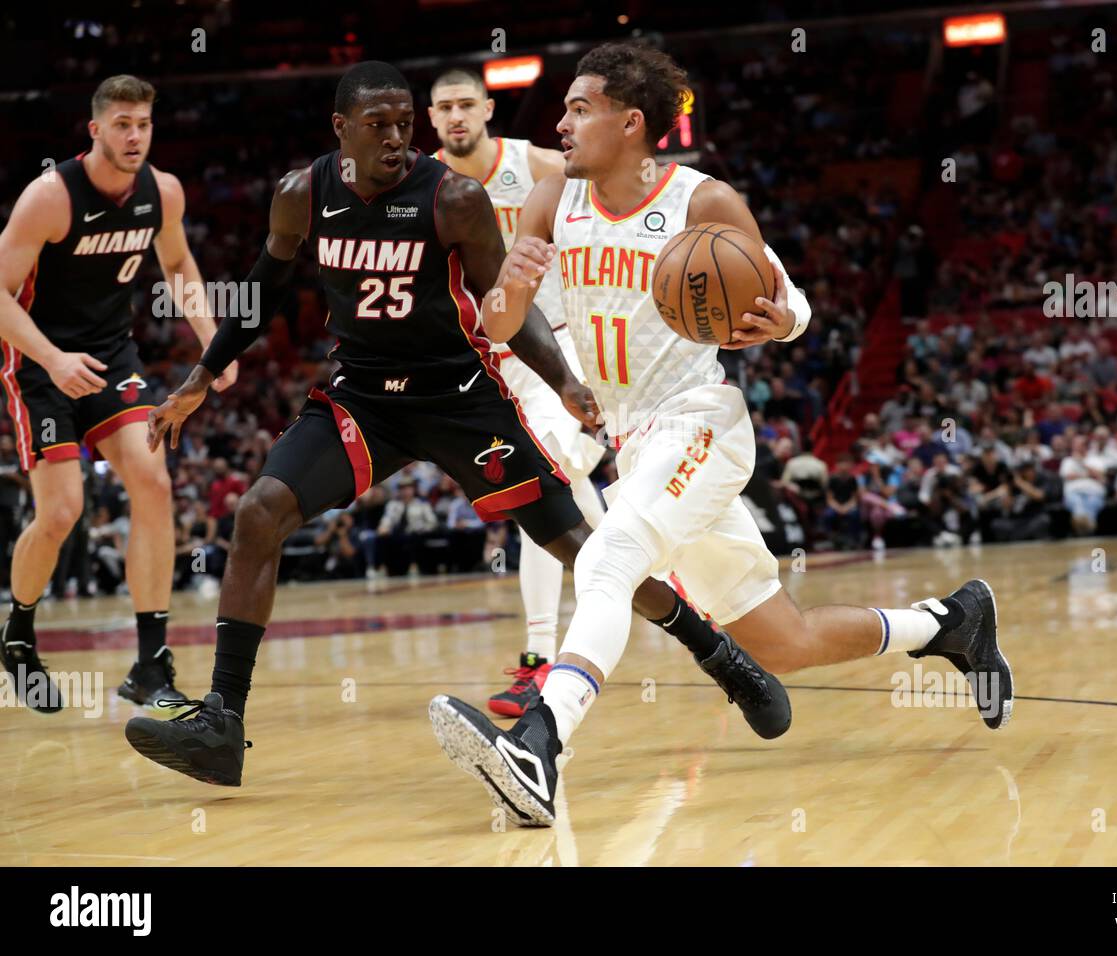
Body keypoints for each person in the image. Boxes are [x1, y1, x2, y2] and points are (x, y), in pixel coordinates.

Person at [123, 61, 786, 788]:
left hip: (461, 397)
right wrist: (196, 378)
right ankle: (223, 720)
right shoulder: (302, 193)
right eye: (379, 126)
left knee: (578, 546)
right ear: (340, 130)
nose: (398, 139)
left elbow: (507, 299)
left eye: (406, 123)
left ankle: (710, 647)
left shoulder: (454, 199)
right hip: (365, 400)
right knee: (259, 512)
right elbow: (263, 288)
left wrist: (564, 381)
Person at [428, 43, 1013, 827]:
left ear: (630, 123)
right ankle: (949, 623)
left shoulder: (703, 201)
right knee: (783, 641)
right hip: (638, 446)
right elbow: (499, 326)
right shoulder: (550, 201)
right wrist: (513, 278)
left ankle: (539, 745)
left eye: (579, 107)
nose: (560, 122)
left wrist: (784, 320)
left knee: (606, 556)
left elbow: (785, 295)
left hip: (698, 422)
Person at [0, 74, 236, 711]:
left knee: (154, 481)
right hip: (39, 361)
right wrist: (50, 358)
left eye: (144, 124)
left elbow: (180, 265)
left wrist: (214, 346)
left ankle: (150, 663)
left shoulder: (163, 192)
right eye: (123, 124)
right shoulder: (50, 197)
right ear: (95, 129)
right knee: (60, 512)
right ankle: (17, 636)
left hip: (111, 359)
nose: (135, 136)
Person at [428, 68, 607, 715]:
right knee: (555, 494)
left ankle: (540, 660)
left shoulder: (530, 162)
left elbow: (601, 208)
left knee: (547, 480)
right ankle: (647, 582)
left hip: (549, 345)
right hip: (479, 360)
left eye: (465, 104)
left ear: (486, 108)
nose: (455, 116)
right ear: (431, 117)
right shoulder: (427, 186)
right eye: (444, 106)